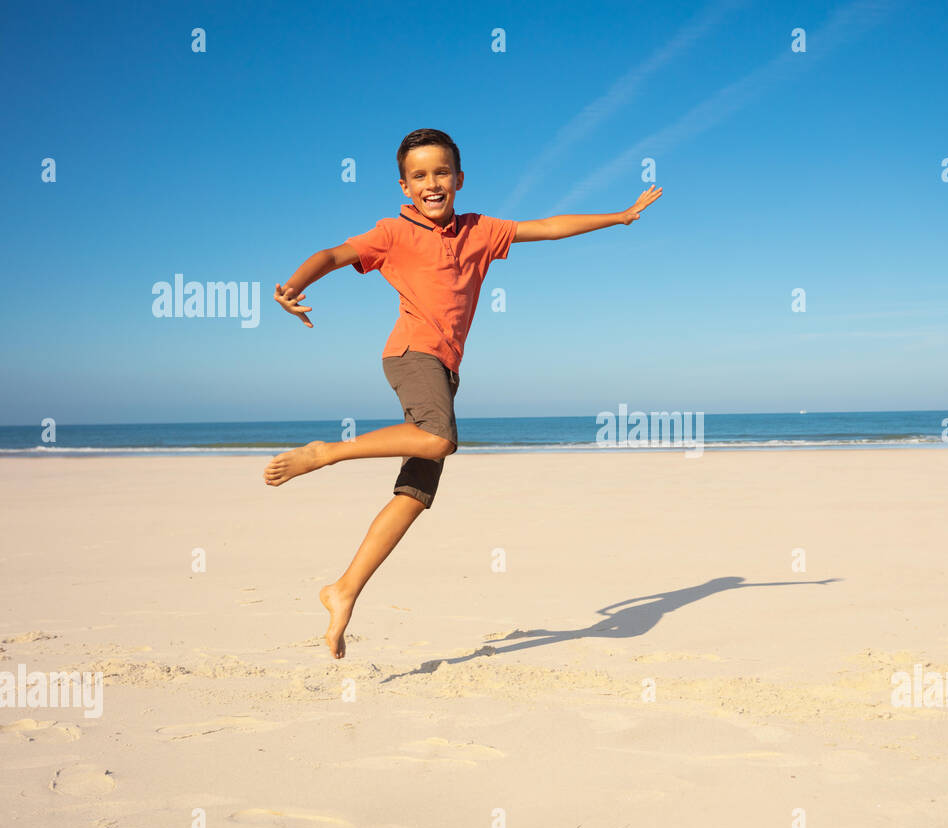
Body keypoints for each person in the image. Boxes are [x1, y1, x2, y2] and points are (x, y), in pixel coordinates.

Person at [263, 128, 662, 658]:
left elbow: (544, 228)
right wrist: (293, 287)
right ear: (404, 187)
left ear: (459, 179)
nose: (432, 183)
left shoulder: (479, 229)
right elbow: (333, 254)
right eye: (420, 176)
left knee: (413, 496)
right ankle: (327, 453)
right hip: (412, 355)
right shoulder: (393, 232)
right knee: (437, 438)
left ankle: (342, 591)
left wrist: (619, 217)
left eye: (442, 172)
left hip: (444, 370)